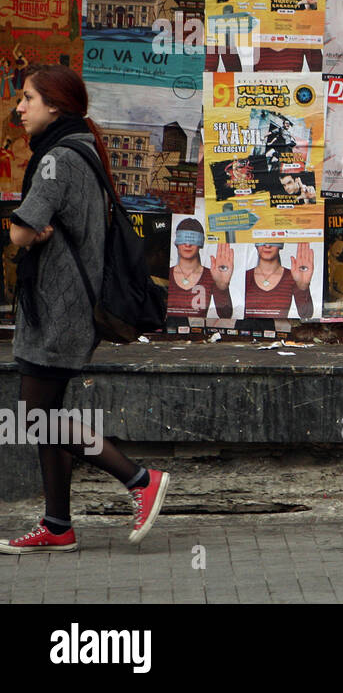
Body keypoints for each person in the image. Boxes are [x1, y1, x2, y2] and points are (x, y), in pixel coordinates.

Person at [0, 66, 170, 554]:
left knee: (37, 419)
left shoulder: (56, 158)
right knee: (47, 416)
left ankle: (140, 478)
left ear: (55, 105)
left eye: (28, 98)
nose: (20, 107)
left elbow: (18, 230)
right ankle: (57, 526)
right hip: (68, 305)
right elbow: (38, 224)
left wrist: (30, 230)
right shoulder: (84, 148)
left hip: (58, 306)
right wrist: (36, 228)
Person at [167, 218, 234, 318]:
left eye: (193, 239)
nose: (188, 244)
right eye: (183, 238)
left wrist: (222, 287)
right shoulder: (165, 275)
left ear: (201, 242)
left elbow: (226, 315)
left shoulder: (212, 274)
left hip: (198, 332)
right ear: (176, 242)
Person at [243, 241, 314, 318]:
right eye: (261, 241)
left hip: (281, 329)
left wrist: (303, 286)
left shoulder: (293, 275)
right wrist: (227, 285)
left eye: (273, 241)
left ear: (281, 244)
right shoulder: (245, 276)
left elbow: (306, 314)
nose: (267, 245)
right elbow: (228, 313)